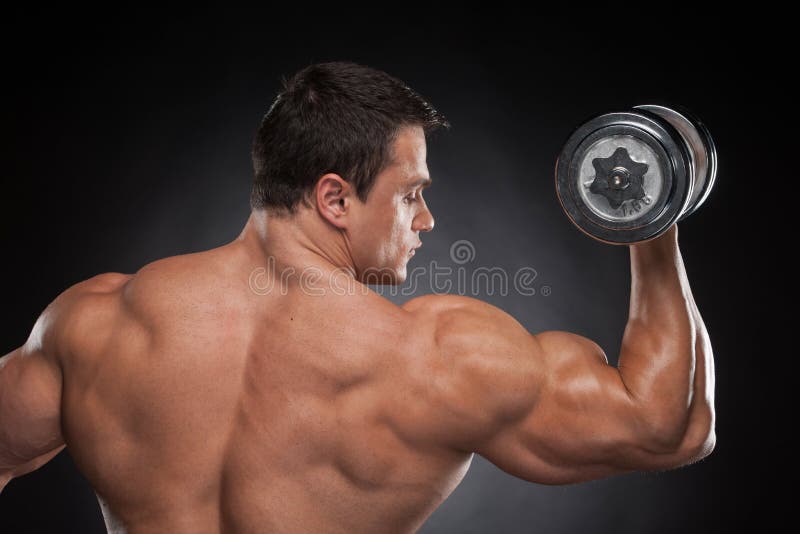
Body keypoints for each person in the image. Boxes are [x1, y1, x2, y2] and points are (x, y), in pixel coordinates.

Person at [0, 61, 715, 533]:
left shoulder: (92, 324)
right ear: (335, 199)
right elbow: (667, 427)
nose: (427, 221)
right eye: (412, 197)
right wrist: (650, 225)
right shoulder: (435, 359)